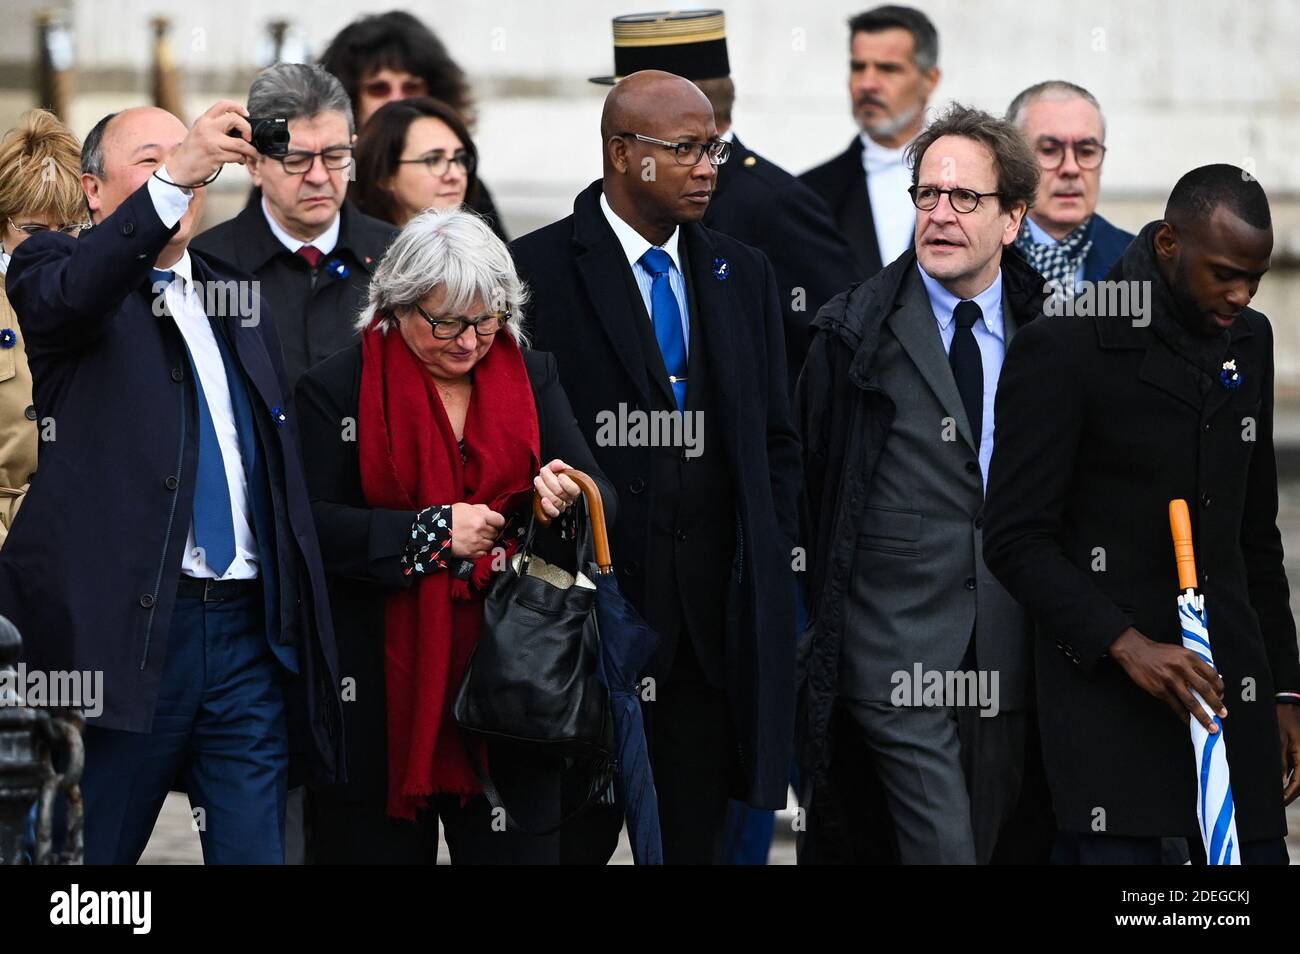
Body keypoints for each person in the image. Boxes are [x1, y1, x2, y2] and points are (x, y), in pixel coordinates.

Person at [0, 101, 344, 864]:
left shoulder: (229, 293)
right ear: (93, 191)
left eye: (190, 163)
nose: (182, 176)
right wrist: (179, 170)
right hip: (131, 637)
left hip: (246, 633)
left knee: (257, 853)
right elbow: (76, 294)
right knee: (95, 870)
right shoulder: (51, 270)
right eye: (153, 161)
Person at [510, 70, 801, 865]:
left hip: (709, 646)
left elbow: (776, 439)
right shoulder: (531, 271)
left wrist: (768, 553)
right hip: (583, 638)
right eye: (686, 149)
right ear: (621, 152)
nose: (709, 166)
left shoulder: (743, 272)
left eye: (716, 147)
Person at [984, 165, 1300, 865]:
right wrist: (1125, 645)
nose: (1240, 295)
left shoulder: (1250, 339)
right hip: (1110, 721)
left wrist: (1282, 689)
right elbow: (1013, 538)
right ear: (1166, 243)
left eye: (1255, 277)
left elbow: (1254, 536)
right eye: (1223, 274)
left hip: (1231, 704)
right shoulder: (1065, 344)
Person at [296, 208, 615, 864]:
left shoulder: (531, 372)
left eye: (485, 319)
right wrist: (431, 532)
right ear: (394, 307)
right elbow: (310, 529)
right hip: (380, 698)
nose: (470, 341)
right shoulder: (335, 389)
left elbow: (598, 493)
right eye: (446, 323)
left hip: (515, 688)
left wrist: (559, 496)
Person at [796, 104, 1044, 864]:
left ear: (1012, 219)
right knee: (946, 847)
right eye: (927, 195)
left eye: (965, 198)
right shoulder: (853, 334)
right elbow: (808, 485)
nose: (940, 214)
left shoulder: (1050, 334)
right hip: (894, 653)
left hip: (1014, 646)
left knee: (1001, 840)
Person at [589, 10, 858, 394]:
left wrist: (778, 440)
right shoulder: (632, 206)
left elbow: (841, 339)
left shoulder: (772, 202)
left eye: (628, 101)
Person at [192, 64, 395, 390]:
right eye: (296, 160)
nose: (318, 176)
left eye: (335, 155)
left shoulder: (399, 259)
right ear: (254, 164)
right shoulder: (206, 267)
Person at [318, 10, 507, 239]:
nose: (397, 100)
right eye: (379, 89)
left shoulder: (464, 184)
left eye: (411, 87)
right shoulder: (325, 181)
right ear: (350, 98)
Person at [801, 5, 940, 278]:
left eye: (888, 69)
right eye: (858, 67)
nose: (867, 84)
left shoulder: (973, 187)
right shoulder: (808, 193)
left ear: (930, 80)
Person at [0, 110, 83, 548]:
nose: (52, 244)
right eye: (33, 230)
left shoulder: (102, 296)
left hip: (81, 539)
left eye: (67, 228)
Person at [1007, 81, 1134, 293]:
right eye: (1049, 150)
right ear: (1013, 162)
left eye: (1086, 151)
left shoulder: (1141, 263)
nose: (1071, 168)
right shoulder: (981, 258)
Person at [350, 97, 480, 228]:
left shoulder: (482, 243)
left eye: (459, 158)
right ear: (384, 176)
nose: (455, 175)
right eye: (433, 160)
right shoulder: (356, 244)